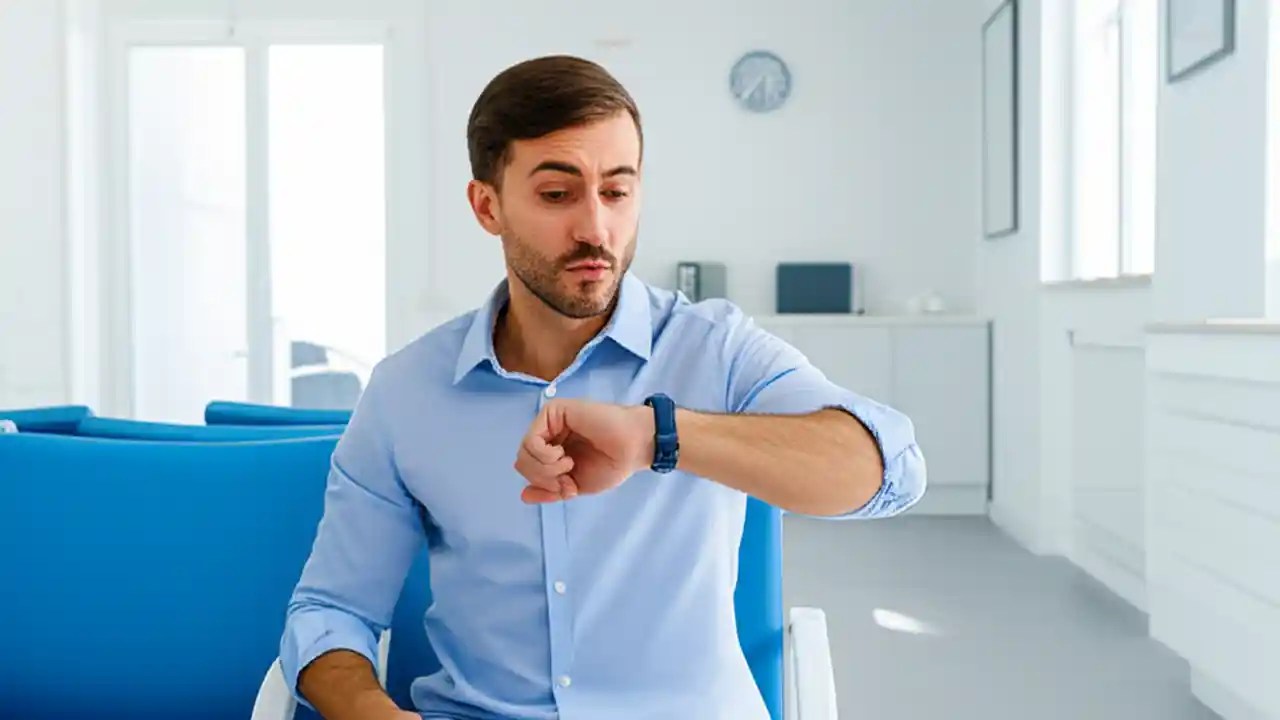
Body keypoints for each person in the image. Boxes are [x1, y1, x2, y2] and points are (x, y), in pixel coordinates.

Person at [281, 55, 926, 720]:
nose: (596, 229)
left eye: (617, 192)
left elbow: (893, 473)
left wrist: (658, 435)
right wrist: (369, 711)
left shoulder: (717, 350)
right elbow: (330, 611)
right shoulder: (405, 393)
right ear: (487, 206)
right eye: (557, 195)